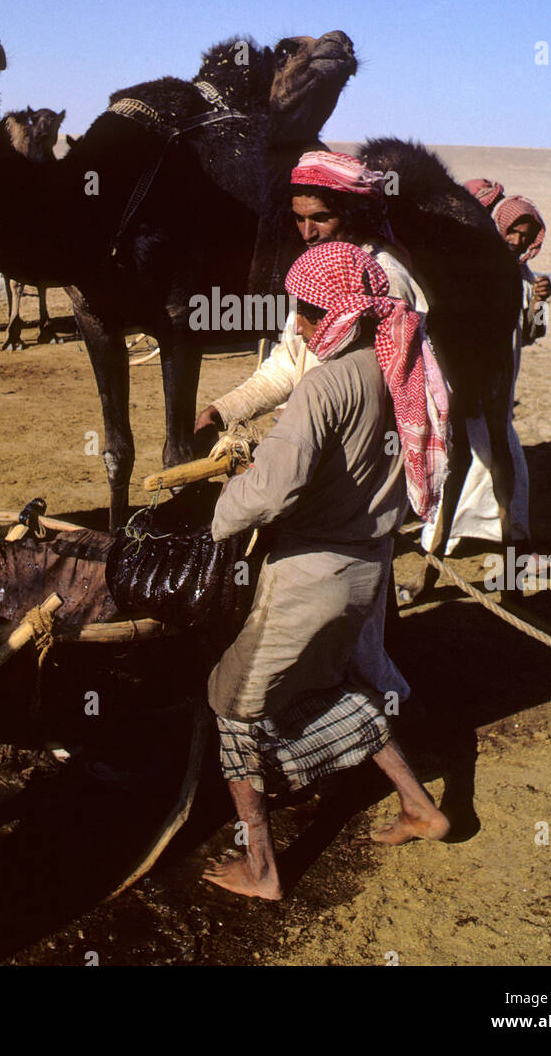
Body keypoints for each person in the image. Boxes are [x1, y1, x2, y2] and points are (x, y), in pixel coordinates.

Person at [202, 242, 450, 899]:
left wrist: (218, 514)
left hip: (310, 577)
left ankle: (262, 866)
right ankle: (420, 805)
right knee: (333, 682)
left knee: (229, 699)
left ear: (333, 312)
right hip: (370, 570)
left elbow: (274, 492)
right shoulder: (401, 368)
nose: (302, 328)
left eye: (306, 315)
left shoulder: (325, 382)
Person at [194, 149, 426, 706]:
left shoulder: (381, 275)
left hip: (353, 459)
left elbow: (389, 380)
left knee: (345, 619)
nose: (307, 230)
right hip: (317, 445)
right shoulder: (317, 273)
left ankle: (382, 713)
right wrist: (227, 408)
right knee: (344, 619)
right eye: (298, 218)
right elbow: (288, 360)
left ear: (352, 211)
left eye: (319, 218)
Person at [421, 191, 551, 558]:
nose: (517, 241)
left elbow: (531, 333)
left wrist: (540, 303)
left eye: (526, 237)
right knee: (460, 465)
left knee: (506, 470)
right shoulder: (472, 268)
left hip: (498, 391)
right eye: (512, 232)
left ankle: (501, 540)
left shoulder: (525, 277)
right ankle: (443, 544)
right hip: (468, 386)